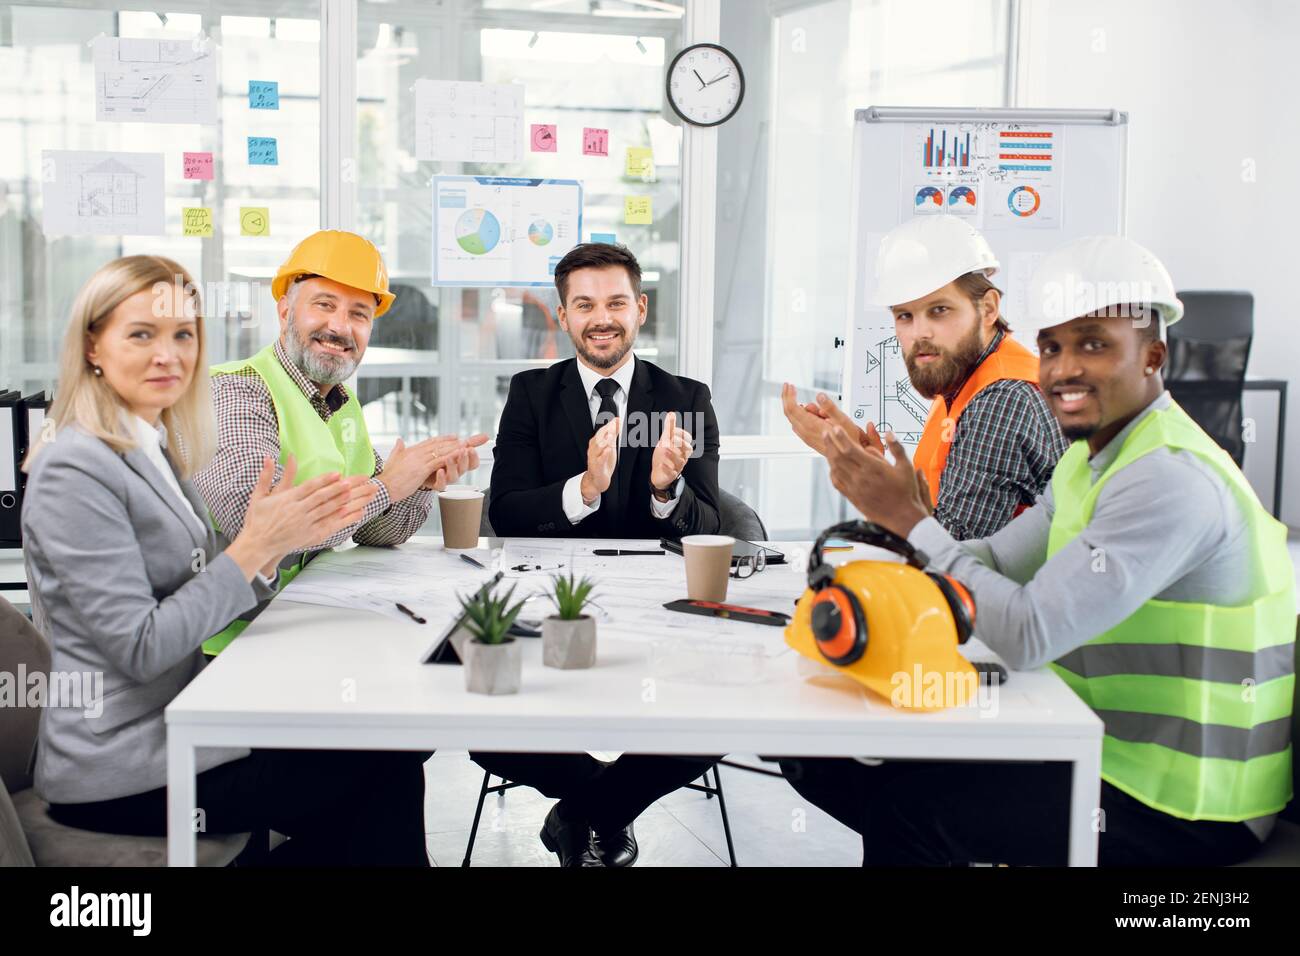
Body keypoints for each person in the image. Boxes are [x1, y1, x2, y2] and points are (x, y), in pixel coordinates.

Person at [782, 236, 1295, 866]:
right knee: (836, 763)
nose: (1064, 368)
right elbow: (993, 559)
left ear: (1154, 355)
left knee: (910, 812)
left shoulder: (1170, 476)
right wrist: (903, 520)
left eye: (1095, 345)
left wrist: (910, 521)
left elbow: (1026, 632)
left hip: (1185, 798)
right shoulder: (1091, 457)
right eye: (1052, 347)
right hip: (1087, 733)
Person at [21, 255, 430, 865]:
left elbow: (207, 572)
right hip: (117, 770)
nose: (169, 355)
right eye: (141, 334)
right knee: (383, 759)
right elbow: (141, 646)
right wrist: (257, 548)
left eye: (183, 335)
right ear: (92, 347)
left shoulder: (149, 448)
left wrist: (261, 553)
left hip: (186, 723)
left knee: (387, 761)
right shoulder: (74, 469)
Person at [477, 242, 722, 866]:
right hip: (550, 603)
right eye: (584, 304)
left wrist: (668, 488)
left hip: (657, 609)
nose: (602, 317)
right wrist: (583, 490)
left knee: (719, 717)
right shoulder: (531, 394)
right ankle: (604, 806)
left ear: (640, 309)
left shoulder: (686, 398)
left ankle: (586, 813)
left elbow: (714, 521)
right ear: (563, 316)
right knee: (482, 718)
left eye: (616, 302)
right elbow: (504, 512)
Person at [194, 230, 488, 653]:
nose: (339, 327)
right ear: (284, 312)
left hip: (306, 625)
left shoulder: (340, 403)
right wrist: (389, 484)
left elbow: (376, 531)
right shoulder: (237, 393)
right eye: (324, 305)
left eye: (359, 314)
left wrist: (417, 484)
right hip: (231, 642)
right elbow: (252, 524)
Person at [783, 215, 1067, 540]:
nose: (920, 333)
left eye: (939, 310)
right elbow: (936, 520)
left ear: (988, 309)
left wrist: (860, 476)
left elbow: (950, 556)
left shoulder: (1003, 399)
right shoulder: (962, 381)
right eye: (905, 316)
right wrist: (867, 462)